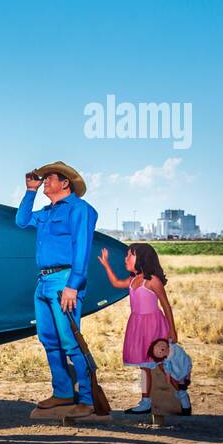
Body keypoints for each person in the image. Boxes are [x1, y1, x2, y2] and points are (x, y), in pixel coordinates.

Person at [15, 161, 99, 419]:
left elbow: (83, 248)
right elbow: (22, 221)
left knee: (71, 341)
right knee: (49, 340)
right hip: (44, 281)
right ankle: (63, 392)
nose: (44, 182)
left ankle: (87, 398)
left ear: (65, 183)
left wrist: (73, 286)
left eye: (49, 178)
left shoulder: (80, 210)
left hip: (64, 280)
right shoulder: (46, 211)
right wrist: (30, 191)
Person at [98, 243, 178, 413]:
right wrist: (106, 264)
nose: (126, 259)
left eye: (130, 255)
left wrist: (172, 329)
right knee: (145, 365)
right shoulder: (133, 280)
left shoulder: (152, 281)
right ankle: (146, 402)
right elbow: (116, 283)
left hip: (153, 325)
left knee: (161, 364)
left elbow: (166, 305)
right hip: (138, 325)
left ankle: (180, 395)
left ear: (141, 258)